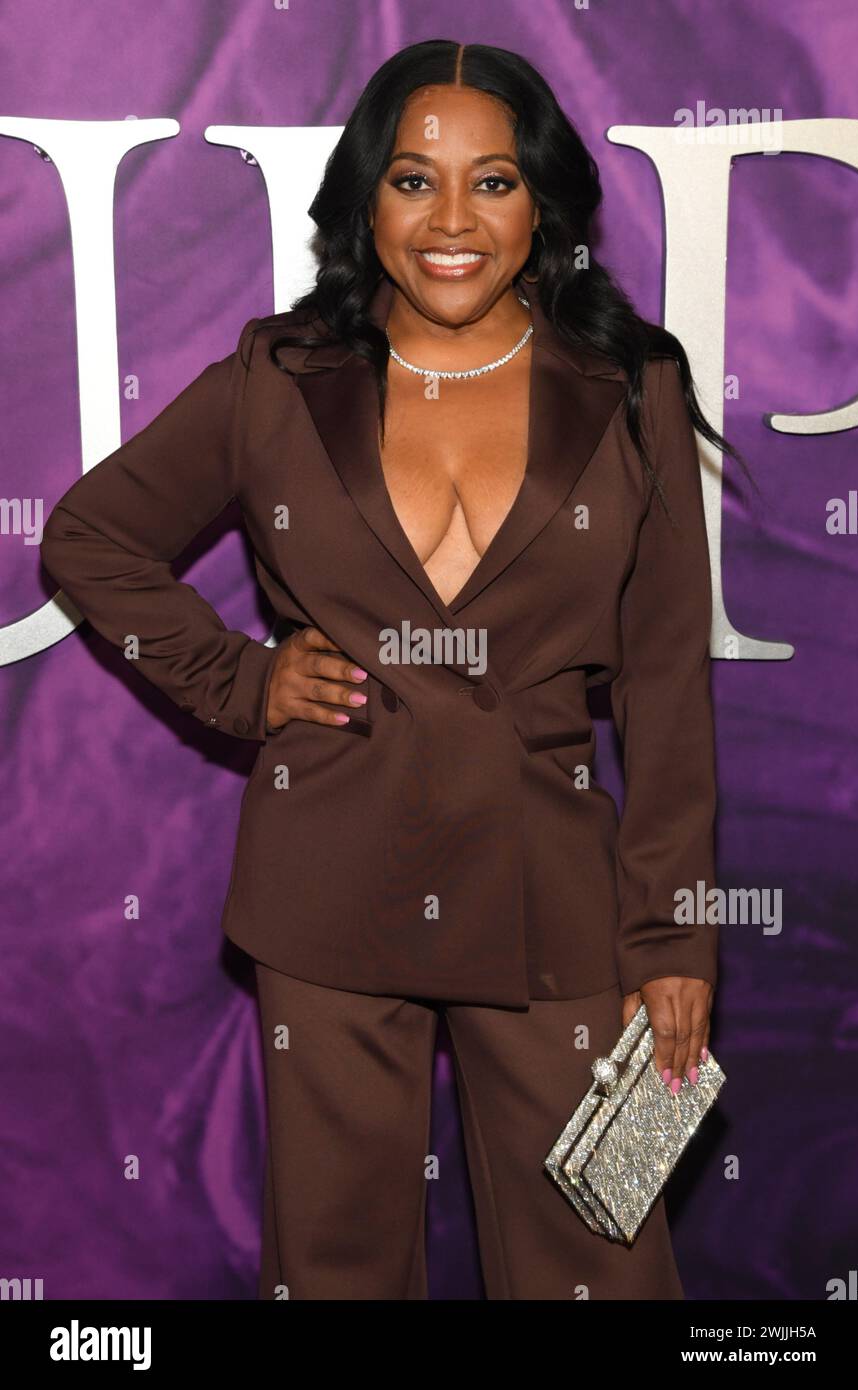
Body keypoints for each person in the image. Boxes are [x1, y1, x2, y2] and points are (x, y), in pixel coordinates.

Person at [40, 39, 749, 1300]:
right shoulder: (280, 377)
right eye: (415, 180)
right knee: (337, 1269)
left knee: (604, 1257)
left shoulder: (633, 387)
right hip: (324, 887)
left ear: (543, 204)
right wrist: (241, 683)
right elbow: (92, 538)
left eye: (493, 182)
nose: (452, 221)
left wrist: (676, 935)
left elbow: (663, 691)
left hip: (557, 893)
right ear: (366, 201)